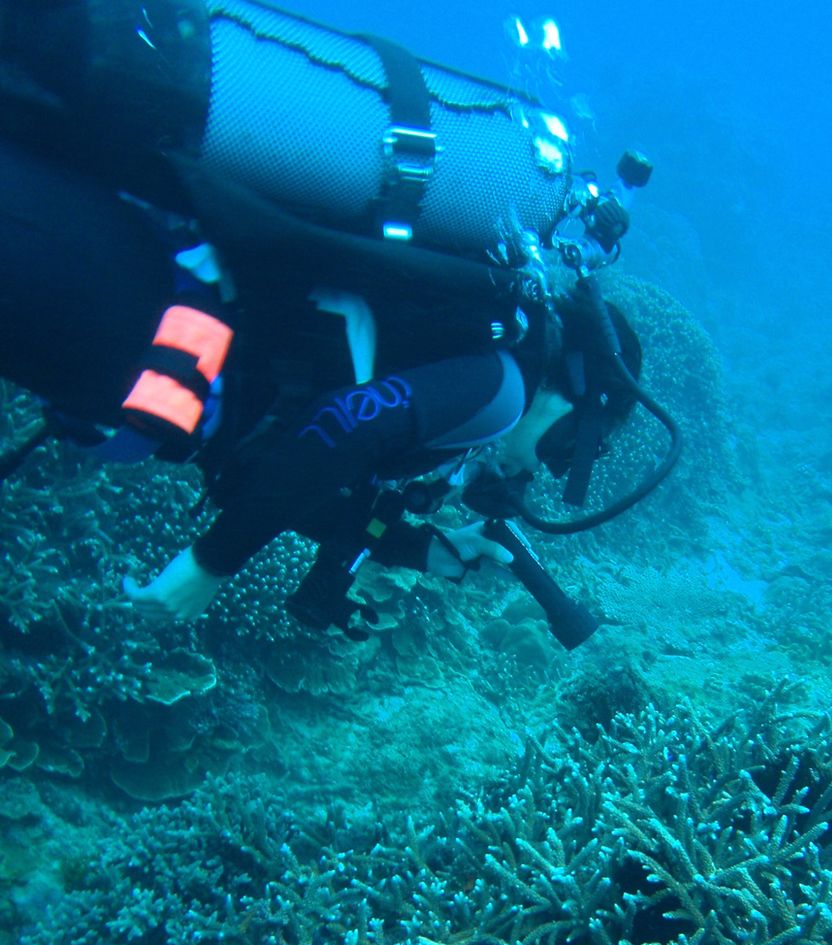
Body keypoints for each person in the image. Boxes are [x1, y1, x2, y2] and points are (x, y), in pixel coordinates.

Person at [0, 132, 644, 642]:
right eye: (564, 452)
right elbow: (341, 426)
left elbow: (307, 465)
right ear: (572, 399)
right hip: (138, 316)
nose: (542, 468)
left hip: (148, 320)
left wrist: (414, 547)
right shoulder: (502, 389)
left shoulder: (478, 361)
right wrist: (211, 563)